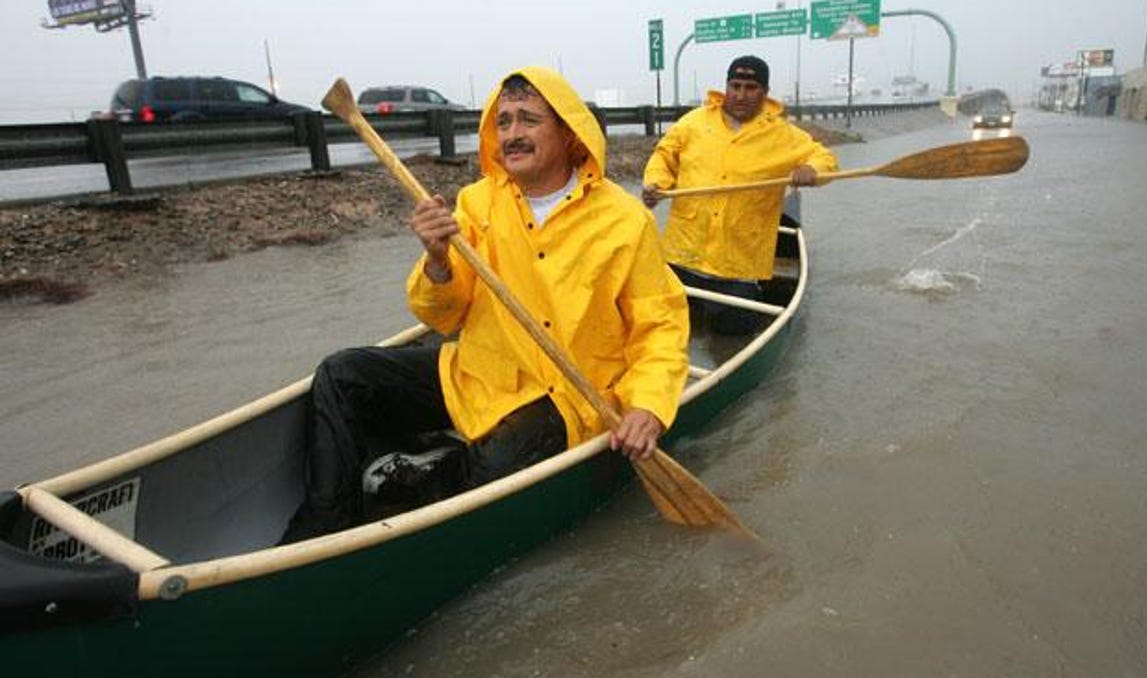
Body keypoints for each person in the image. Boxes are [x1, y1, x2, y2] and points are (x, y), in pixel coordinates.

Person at [280, 66, 690, 543]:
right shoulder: (476, 203)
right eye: (504, 121)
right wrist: (436, 261)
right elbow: (442, 315)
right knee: (343, 374)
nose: (513, 134)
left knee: (496, 462)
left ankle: (426, 480)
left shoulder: (624, 220)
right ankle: (324, 525)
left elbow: (659, 325)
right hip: (476, 374)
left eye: (529, 120)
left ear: (566, 132)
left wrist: (647, 408)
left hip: (565, 395)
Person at [642, 55, 838, 334]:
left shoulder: (782, 135)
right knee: (665, 334)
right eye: (735, 86)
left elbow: (825, 158)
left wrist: (811, 168)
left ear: (764, 93)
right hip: (681, 258)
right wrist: (656, 184)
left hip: (738, 267)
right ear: (726, 87)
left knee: (732, 341)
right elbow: (664, 155)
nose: (740, 95)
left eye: (750, 87)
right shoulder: (694, 123)